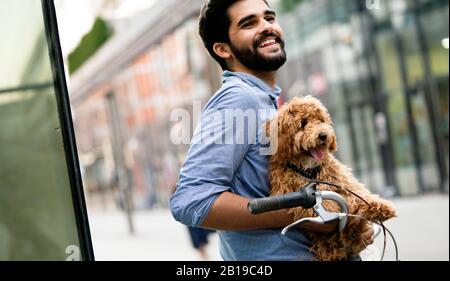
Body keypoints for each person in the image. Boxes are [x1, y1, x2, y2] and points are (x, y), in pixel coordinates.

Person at [170, 0, 372, 260]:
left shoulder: (264, 100)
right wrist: (304, 214)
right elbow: (191, 200)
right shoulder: (240, 98)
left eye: (269, 18)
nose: (267, 27)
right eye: (249, 23)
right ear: (222, 49)